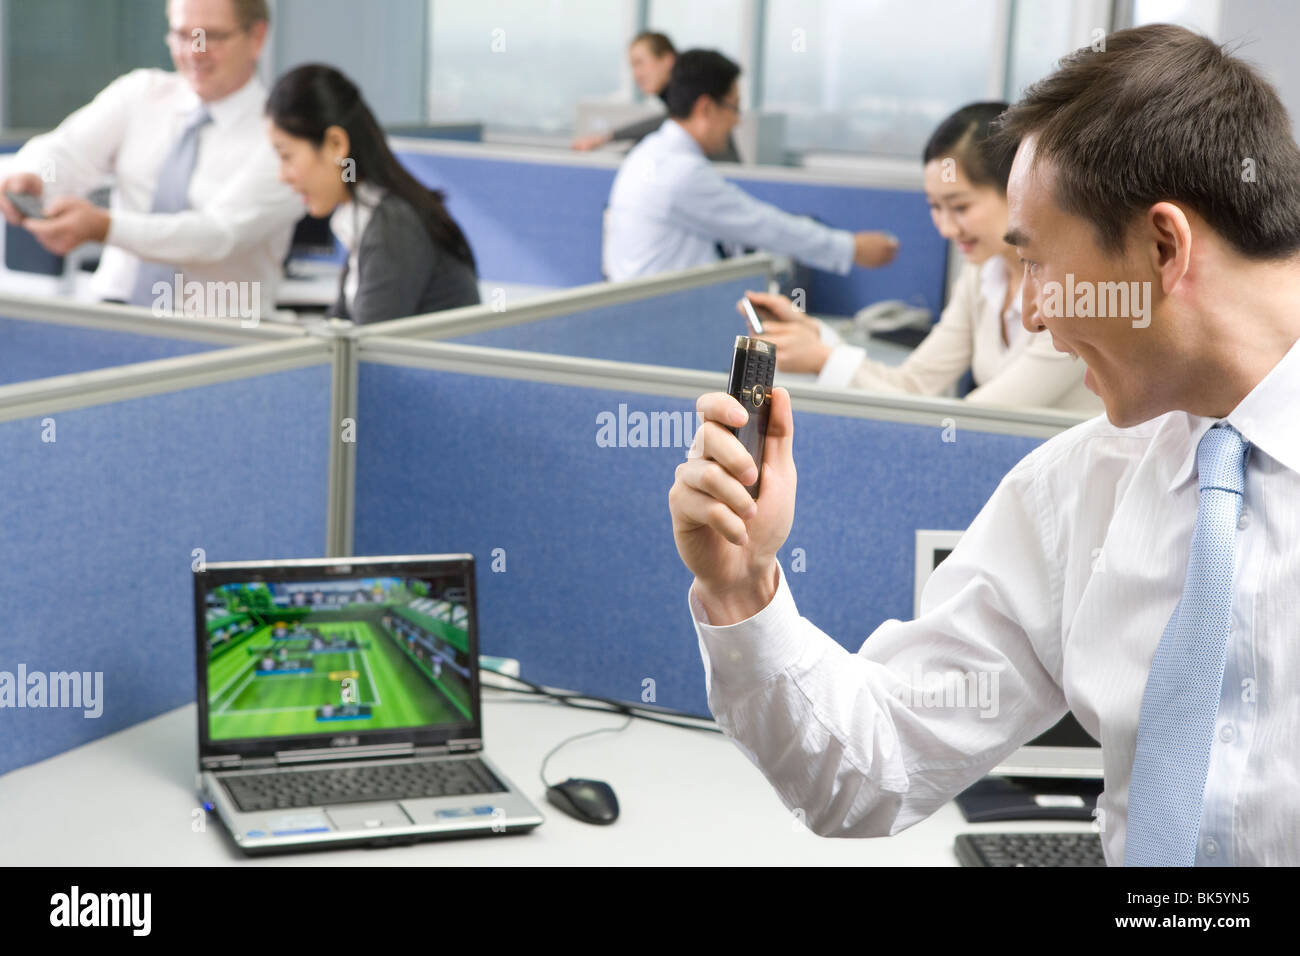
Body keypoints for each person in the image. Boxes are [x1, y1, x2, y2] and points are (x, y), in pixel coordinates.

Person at [668, 24, 1300, 865]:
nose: (1031, 312)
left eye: (1038, 264)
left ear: (1162, 247)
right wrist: (742, 584)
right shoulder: (1078, 493)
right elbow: (871, 766)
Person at [743, 102, 1100, 413]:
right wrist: (818, 338)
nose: (946, 228)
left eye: (959, 206)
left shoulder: (1071, 293)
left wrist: (825, 358)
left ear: (1017, 188)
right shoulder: (982, 276)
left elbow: (975, 421)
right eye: (935, 207)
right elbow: (913, 385)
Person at [0, 0, 302, 314]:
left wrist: (104, 227)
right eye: (182, 35)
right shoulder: (141, 94)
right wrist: (35, 175)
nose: (194, 52)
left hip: (219, 335)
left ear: (257, 38)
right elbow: (65, 152)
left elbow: (217, 236)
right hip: (114, 316)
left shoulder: (285, 138)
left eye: (211, 36)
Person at [603, 49, 898, 281]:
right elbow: (762, 226)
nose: (738, 120)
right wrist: (850, 248)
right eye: (733, 107)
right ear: (706, 108)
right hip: (663, 324)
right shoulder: (680, 173)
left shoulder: (647, 153)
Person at [266, 64, 480, 324]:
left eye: (286, 156)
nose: (282, 175)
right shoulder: (366, 218)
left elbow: (363, 354)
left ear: (336, 145)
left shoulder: (393, 227)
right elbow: (337, 332)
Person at [571, 32, 740, 162]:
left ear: (667, 60)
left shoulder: (688, 99)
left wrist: (608, 138)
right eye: (632, 66)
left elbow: (671, 123)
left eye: (640, 63)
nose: (636, 74)